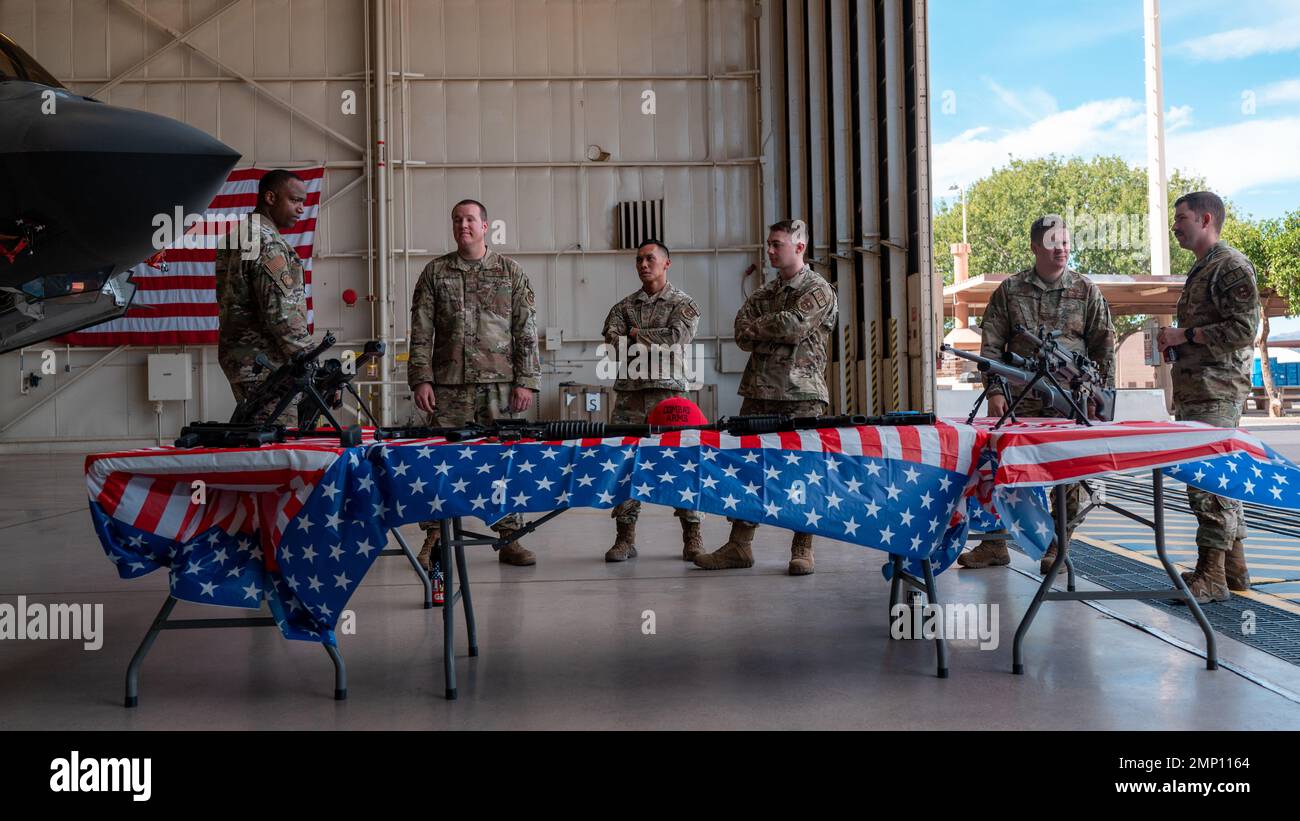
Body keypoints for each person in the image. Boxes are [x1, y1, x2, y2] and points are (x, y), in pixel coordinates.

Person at [958, 214, 1115, 574]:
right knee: (1004, 471)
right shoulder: (1010, 291)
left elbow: (1104, 346)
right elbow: (992, 348)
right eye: (1052, 242)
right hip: (1018, 402)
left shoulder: (1086, 291)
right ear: (1035, 247)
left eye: (1065, 241)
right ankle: (995, 543)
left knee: (1068, 475)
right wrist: (995, 391)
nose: (1061, 249)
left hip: (1071, 401)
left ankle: (1059, 547)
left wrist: (1101, 398)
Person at [693, 219, 837, 576]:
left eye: (777, 244)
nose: (770, 251)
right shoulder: (764, 293)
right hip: (758, 393)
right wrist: (773, 326)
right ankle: (739, 545)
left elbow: (795, 326)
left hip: (801, 394)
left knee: (801, 471)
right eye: (770, 244)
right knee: (748, 469)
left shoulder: (818, 289)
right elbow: (740, 332)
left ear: (799, 247)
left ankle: (803, 547)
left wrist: (767, 327)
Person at [407, 199, 541, 571]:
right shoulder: (435, 272)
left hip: (499, 386)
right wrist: (421, 378)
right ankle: (434, 539)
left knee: (502, 459)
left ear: (485, 226)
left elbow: (525, 331)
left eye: (469, 219)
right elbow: (420, 333)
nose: (462, 225)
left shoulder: (510, 272)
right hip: (448, 388)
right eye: (456, 220)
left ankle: (509, 537)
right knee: (443, 463)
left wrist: (526, 381)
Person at [1158, 190, 1257, 603]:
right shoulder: (1204, 269)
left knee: (1209, 483)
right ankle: (1233, 570)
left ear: (1205, 219)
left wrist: (1187, 335)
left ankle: (1211, 576)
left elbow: (1242, 330)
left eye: (1181, 218)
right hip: (1199, 392)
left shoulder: (1230, 266)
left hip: (1216, 393)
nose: (1175, 226)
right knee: (1221, 480)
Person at [601, 239, 705, 562]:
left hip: (670, 396)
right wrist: (647, 339)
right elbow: (612, 344)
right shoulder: (623, 307)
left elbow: (677, 339)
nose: (643, 265)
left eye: (650, 259)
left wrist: (636, 335)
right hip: (630, 397)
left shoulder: (684, 304)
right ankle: (625, 538)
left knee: (682, 462)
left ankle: (693, 536)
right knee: (627, 465)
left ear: (666, 263)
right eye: (639, 260)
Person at [216, 169, 312, 424]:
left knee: (255, 439)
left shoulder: (237, 235)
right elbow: (282, 313)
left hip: (244, 359)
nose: (301, 209)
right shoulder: (266, 242)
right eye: (294, 200)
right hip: (267, 366)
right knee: (277, 446)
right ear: (270, 197)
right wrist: (310, 360)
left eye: (303, 202)